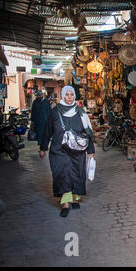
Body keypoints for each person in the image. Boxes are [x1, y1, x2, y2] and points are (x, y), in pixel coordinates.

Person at [39, 86, 95, 217]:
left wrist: (90, 150)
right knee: (62, 174)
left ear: (74, 96)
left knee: (76, 173)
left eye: (71, 94)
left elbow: (88, 132)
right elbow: (47, 131)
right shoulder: (55, 112)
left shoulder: (81, 112)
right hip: (59, 150)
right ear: (63, 96)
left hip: (77, 150)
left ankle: (75, 198)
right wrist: (43, 148)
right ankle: (65, 203)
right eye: (67, 94)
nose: (69, 97)